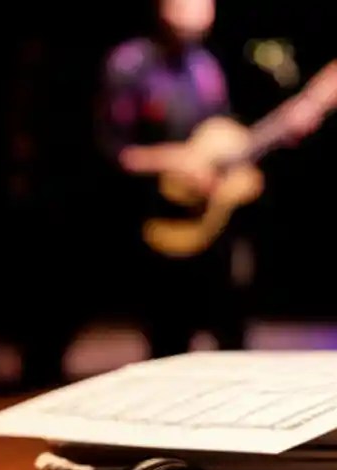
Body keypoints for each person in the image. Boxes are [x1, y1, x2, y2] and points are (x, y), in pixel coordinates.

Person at [96, 0, 258, 359]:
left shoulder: (206, 67)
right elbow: (113, 150)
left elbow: (220, 138)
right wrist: (174, 160)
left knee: (231, 326)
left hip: (208, 219)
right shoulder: (131, 65)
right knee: (169, 334)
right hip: (154, 217)